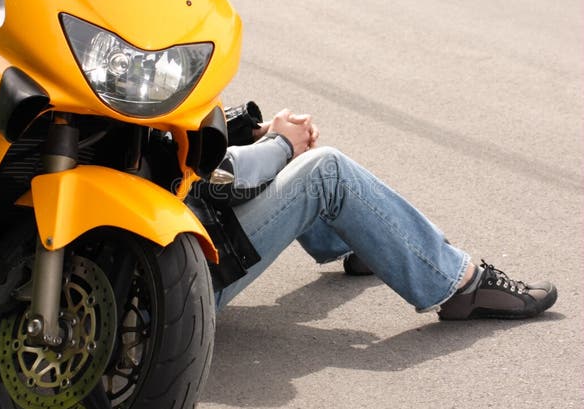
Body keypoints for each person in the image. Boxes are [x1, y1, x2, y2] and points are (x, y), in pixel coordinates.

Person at [194, 104, 557, 321]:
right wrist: (281, 145)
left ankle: (365, 240)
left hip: (175, 274)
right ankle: (461, 286)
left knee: (290, 158)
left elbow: (181, 134)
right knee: (326, 172)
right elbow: (207, 178)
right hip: (184, 287)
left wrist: (253, 131)